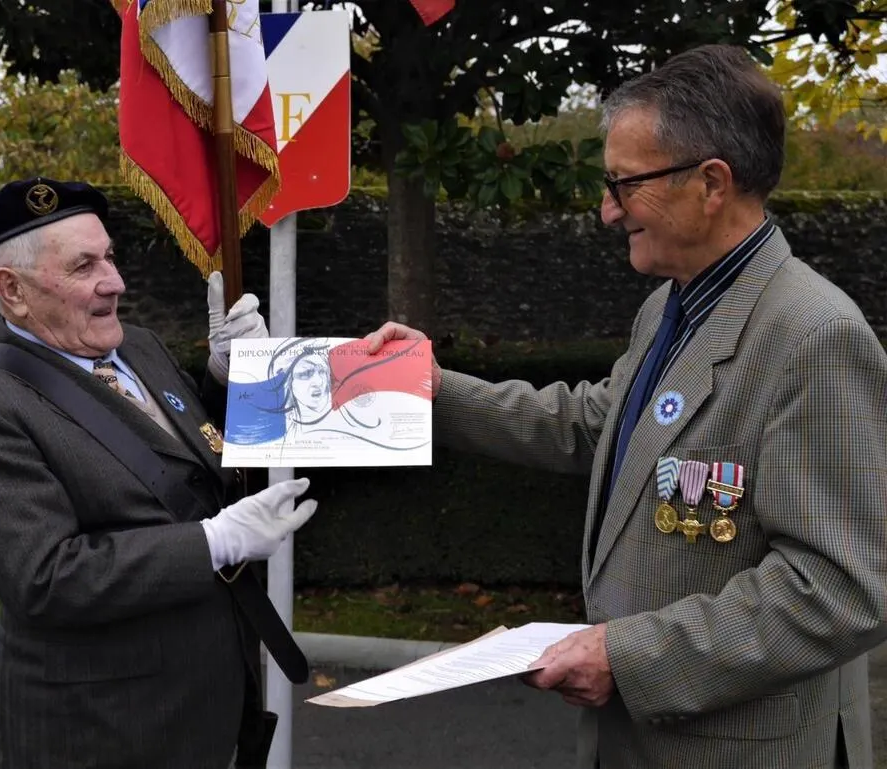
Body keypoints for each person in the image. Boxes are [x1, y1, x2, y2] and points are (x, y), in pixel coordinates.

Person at [365, 44, 887, 769]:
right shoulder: (672, 307)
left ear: (711, 183)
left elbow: (839, 586)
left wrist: (629, 654)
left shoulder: (814, 335)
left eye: (624, 184)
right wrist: (434, 386)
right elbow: (597, 422)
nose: (608, 211)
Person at [0, 177, 318, 769]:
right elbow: (45, 579)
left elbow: (185, 466)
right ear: (13, 291)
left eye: (109, 256)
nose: (115, 281)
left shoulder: (136, 346)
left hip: (205, 704)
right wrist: (214, 542)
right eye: (84, 266)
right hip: (101, 730)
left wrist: (230, 375)